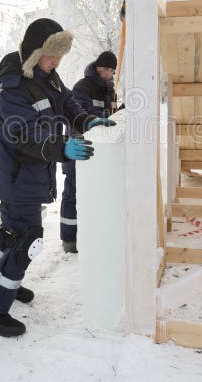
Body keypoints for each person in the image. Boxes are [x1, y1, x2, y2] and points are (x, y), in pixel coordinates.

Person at [0, 18, 115, 337]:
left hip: (34, 170)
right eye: (51, 56)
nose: (55, 63)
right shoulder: (12, 85)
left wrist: (85, 120)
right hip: (17, 172)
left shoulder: (48, 77)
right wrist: (63, 148)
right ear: (34, 52)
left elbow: (66, 102)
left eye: (59, 57)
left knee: (13, 230)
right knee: (28, 238)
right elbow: (22, 133)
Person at [60, 51, 119, 253]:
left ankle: (89, 236)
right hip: (77, 147)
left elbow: (112, 120)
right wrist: (101, 116)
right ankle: (69, 240)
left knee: (93, 196)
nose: (108, 73)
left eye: (111, 71)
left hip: (98, 153)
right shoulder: (81, 87)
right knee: (72, 194)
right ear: (97, 68)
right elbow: (79, 116)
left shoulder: (111, 91)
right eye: (105, 69)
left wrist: (120, 113)